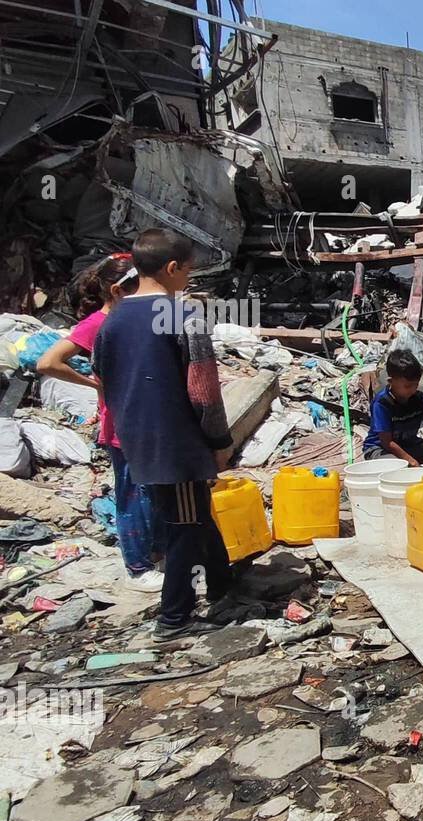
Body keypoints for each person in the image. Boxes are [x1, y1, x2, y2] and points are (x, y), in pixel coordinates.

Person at [93, 229, 234, 641]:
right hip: (177, 445)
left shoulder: (113, 317)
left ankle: (223, 584)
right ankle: (173, 617)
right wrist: (220, 442)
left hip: (136, 439)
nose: (189, 279)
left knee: (194, 514)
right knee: (184, 528)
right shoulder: (182, 315)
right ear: (173, 268)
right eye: (188, 270)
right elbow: (204, 391)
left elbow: (101, 375)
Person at [38, 254, 164, 591]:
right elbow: (48, 362)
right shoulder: (98, 324)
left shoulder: (138, 318)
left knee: (152, 490)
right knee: (132, 494)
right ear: (117, 291)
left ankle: (156, 552)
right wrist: (95, 383)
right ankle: (137, 567)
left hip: (150, 419)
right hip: (123, 423)